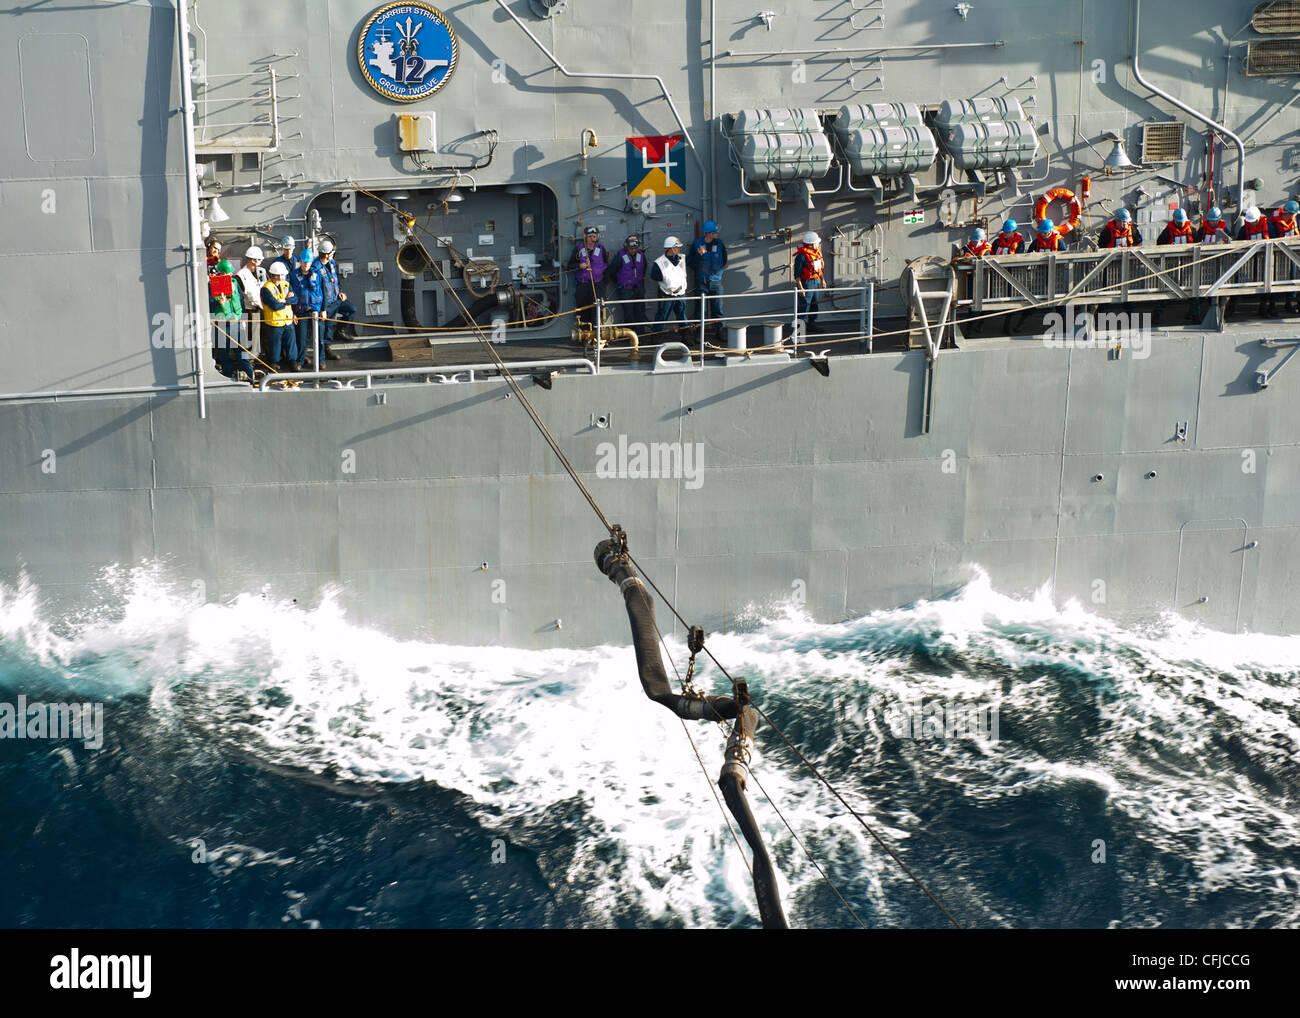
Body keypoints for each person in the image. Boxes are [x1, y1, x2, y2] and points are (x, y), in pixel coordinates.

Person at [209, 259, 253, 382]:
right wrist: (218, 302)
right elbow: (208, 304)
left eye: (229, 274)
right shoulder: (211, 285)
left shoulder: (234, 283)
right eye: (226, 274)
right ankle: (227, 373)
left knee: (242, 349)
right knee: (223, 351)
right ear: (221, 273)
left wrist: (243, 319)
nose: (228, 276)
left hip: (236, 321)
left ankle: (249, 372)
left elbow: (241, 301)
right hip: (221, 322)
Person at [1235, 206, 1277, 317]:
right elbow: (1238, 243)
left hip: (1267, 261)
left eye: (1254, 221)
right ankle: (1233, 306)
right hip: (1250, 262)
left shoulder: (1269, 227)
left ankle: (1267, 307)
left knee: (1269, 284)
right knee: (1248, 283)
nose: (1252, 224)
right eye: (1250, 222)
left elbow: (1275, 240)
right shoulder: (1244, 229)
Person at [567, 225, 610, 327]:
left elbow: (606, 266)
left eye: (594, 236)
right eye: (590, 236)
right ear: (585, 237)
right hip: (583, 285)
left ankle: (597, 336)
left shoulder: (601, 249)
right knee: (583, 311)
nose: (592, 238)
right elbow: (569, 266)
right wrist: (579, 265)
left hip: (598, 285)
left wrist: (603, 284)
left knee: (597, 311)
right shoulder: (578, 249)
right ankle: (585, 334)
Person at [316, 239, 355, 351]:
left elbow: (336, 280)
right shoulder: (317, 267)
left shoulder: (332, 263)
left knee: (351, 310)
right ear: (327, 254)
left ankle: (340, 330)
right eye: (332, 253)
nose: (333, 254)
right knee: (328, 325)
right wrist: (322, 307)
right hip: (327, 303)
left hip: (336, 298)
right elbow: (318, 289)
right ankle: (327, 348)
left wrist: (341, 292)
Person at [688, 220, 728, 327]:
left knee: (717, 309)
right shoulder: (697, 243)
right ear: (708, 233)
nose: (717, 234)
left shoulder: (719, 244)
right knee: (701, 310)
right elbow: (690, 261)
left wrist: (706, 256)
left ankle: (719, 331)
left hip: (716, 282)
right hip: (702, 282)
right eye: (715, 232)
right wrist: (699, 257)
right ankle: (700, 333)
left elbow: (723, 260)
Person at [290, 248, 324, 369]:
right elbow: (292, 294)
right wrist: (293, 312)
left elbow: (323, 291)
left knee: (319, 338)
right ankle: (300, 361)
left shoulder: (318, 273)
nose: (306, 264)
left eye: (308, 262)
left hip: (315, 310)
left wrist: (323, 310)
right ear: (300, 261)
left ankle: (321, 360)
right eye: (304, 262)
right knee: (301, 338)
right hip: (302, 311)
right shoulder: (294, 275)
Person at [260, 262, 296, 369]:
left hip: (287, 321)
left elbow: (295, 299)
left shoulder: (286, 284)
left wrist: (284, 300)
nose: (282, 277)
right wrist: (287, 301)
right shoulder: (266, 289)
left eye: (283, 275)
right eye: (280, 275)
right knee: (275, 345)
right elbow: (275, 306)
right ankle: (274, 363)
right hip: (274, 322)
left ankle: (292, 361)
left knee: (291, 343)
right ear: (274, 275)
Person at [235, 245, 265, 365]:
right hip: (248, 310)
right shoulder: (240, 275)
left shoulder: (261, 272)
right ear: (252, 259)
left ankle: (256, 357)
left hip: (261, 308)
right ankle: (247, 361)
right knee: (248, 336)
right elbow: (239, 296)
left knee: (258, 334)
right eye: (259, 259)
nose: (260, 262)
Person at [651, 236, 688, 327]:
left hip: (680, 294)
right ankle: (656, 336)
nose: (679, 249)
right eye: (677, 247)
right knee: (662, 316)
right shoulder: (659, 262)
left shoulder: (681, 259)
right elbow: (654, 276)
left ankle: (685, 336)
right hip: (666, 294)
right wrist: (666, 280)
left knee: (682, 316)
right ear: (671, 248)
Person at [793, 231, 825, 333]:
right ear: (810, 244)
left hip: (815, 282)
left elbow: (819, 270)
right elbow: (797, 275)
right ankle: (800, 329)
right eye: (816, 242)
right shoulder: (801, 257)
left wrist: (823, 280)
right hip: (806, 283)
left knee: (814, 304)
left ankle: (811, 324)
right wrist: (801, 288)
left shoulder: (816, 254)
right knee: (804, 304)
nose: (818, 244)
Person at [612, 235, 647, 328]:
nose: (633, 250)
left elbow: (644, 268)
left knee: (640, 312)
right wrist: (620, 283)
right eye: (631, 248)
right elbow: (612, 271)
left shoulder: (641, 255)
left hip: (638, 288)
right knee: (629, 314)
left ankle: (640, 334)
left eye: (635, 248)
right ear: (626, 247)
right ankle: (629, 335)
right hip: (626, 290)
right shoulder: (620, 256)